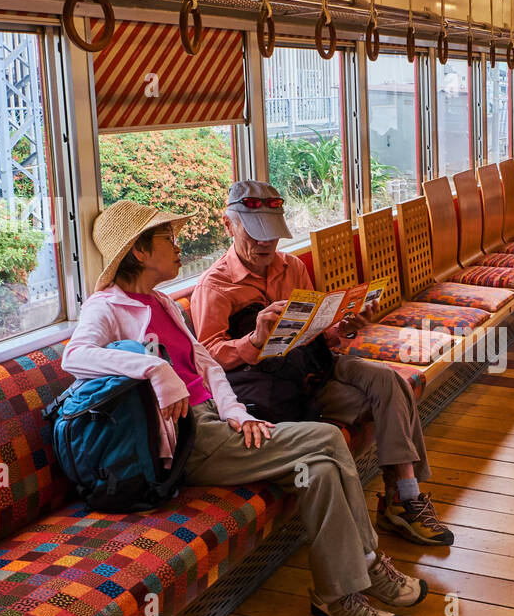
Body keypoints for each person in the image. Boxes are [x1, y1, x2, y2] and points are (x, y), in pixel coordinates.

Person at [61, 198, 427, 616]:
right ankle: (371, 564)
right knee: (329, 439)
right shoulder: (107, 306)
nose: (179, 246)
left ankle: (334, 599)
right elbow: (75, 356)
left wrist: (235, 412)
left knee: (321, 470)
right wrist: (156, 369)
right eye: (168, 239)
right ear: (139, 251)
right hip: (184, 439)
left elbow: (207, 366)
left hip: (218, 420)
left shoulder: (161, 302)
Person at [189, 180, 456, 548]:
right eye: (255, 232)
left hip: (314, 364)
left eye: (273, 233)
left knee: (388, 381)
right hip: (270, 386)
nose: (266, 243)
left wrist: (344, 327)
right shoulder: (214, 287)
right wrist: (253, 340)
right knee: (386, 400)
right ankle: (400, 503)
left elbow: (317, 330)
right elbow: (207, 358)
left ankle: (406, 497)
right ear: (228, 224)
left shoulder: (292, 266)